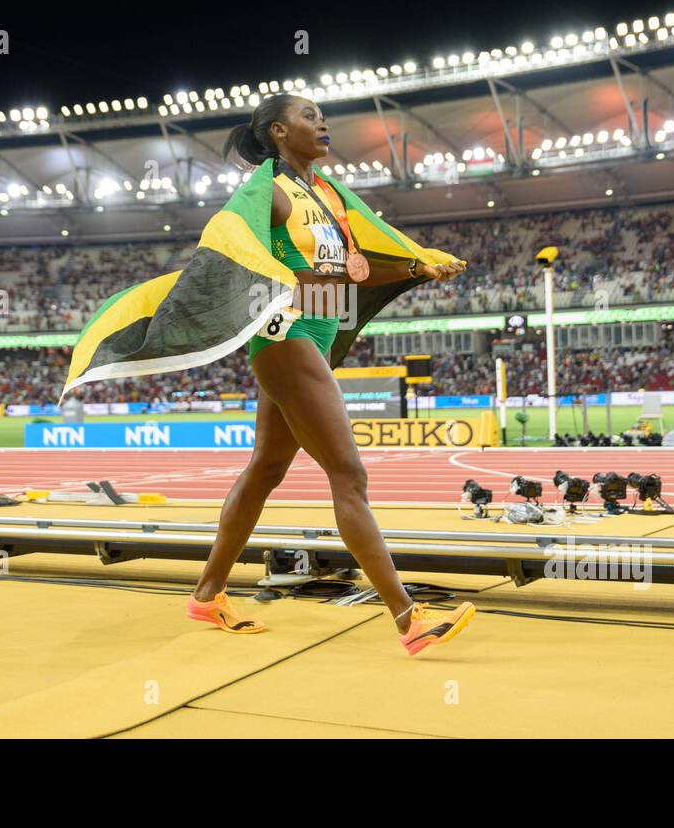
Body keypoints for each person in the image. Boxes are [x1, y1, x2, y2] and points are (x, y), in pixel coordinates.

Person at [62, 93, 474, 655]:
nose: (323, 122)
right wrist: (311, 287)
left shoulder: (328, 196)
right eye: (309, 116)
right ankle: (408, 618)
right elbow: (252, 266)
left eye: (321, 115)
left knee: (266, 467)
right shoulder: (268, 194)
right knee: (348, 474)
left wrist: (413, 265)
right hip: (286, 336)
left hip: (319, 333)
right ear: (279, 131)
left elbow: (349, 270)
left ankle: (207, 594)